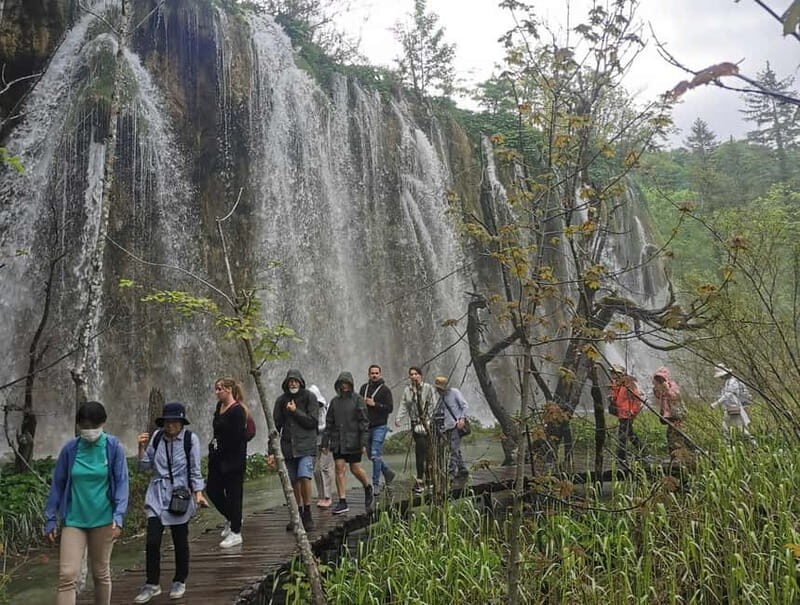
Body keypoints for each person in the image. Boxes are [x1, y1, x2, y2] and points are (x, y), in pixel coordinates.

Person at [44, 401, 128, 605]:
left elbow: (122, 483)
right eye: (84, 425)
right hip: (74, 520)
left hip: (104, 519)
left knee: (101, 573)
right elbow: (58, 484)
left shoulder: (113, 447)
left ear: (103, 423)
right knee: (67, 575)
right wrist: (50, 518)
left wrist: (119, 516)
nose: (89, 430)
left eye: (93, 426)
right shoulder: (70, 450)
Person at [134, 402, 207, 604]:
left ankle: (179, 580)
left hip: (179, 495)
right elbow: (144, 466)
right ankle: (152, 584)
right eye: (167, 421)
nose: (170, 425)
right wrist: (141, 447)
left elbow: (195, 469)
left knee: (180, 540)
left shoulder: (190, 440)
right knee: (152, 540)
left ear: (181, 422)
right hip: (157, 494)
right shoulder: (157, 438)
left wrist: (198, 493)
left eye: (174, 421)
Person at [272, 369, 319, 531]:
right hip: (288, 447)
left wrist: (295, 411)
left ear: (300, 382)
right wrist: (271, 452)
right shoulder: (281, 401)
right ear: (286, 383)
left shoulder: (309, 397)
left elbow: (312, 422)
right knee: (293, 482)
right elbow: (275, 427)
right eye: (290, 381)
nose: (293, 383)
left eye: (296, 381)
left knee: (305, 477)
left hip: (305, 446)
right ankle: (297, 514)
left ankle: (308, 513)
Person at [321, 371, 373, 515]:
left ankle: (368, 486)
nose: (344, 386)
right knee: (339, 468)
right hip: (338, 441)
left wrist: (363, 442)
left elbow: (364, 422)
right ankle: (342, 501)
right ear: (338, 385)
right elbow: (329, 423)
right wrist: (325, 443)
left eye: (346, 383)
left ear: (351, 384)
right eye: (341, 384)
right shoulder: (334, 402)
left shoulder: (358, 400)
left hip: (354, 440)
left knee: (355, 468)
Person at [396, 366, 436, 494]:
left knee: (424, 453)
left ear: (420, 375)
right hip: (415, 424)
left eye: (416, 374)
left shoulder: (428, 388)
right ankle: (427, 480)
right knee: (420, 452)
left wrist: (430, 420)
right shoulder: (407, 390)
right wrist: (398, 418)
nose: (413, 376)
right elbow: (403, 404)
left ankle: (422, 480)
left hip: (427, 424)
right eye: (411, 374)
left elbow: (433, 404)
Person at [359, 364, 395, 494]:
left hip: (380, 426)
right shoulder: (364, 388)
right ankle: (387, 472)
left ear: (380, 374)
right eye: (372, 373)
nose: (374, 375)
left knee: (375, 454)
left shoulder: (385, 390)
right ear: (369, 374)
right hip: (366, 426)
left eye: (376, 373)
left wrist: (375, 404)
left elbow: (390, 408)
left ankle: (376, 483)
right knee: (371, 456)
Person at [433, 376, 469, 479]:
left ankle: (451, 473)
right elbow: (438, 413)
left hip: (456, 426)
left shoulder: (454, 392)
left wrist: (462, 418)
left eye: (440, 388)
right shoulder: (441, 398)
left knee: (453, 449)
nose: (438, 390)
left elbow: (465, 405)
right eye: (437, 388)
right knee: (455, 449)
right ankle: (462, 469)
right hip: (447, 428)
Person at [711, 366, 756, 445]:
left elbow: (728, 394)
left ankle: (752, 443)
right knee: (728, 427)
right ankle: (728, 444)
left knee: (737, 428)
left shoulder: (733, 382)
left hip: (733, 407)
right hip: (730, 408)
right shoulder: (729, 382)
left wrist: (716, 403)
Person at [652, 367, 690, 459]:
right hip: (669, 416)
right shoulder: (660, 389)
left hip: (677, 415)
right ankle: (676, 455)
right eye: (658, 380)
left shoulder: (672, 386)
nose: (659, 381)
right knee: (671, 435)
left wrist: (667, 390)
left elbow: (675, 398)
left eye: (660, 379)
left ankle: (683, 454)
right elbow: (658, 398)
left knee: (676, 435)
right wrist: (656, 389)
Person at [609, 365, 643, 463]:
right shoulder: (617, 385)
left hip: (627, 414)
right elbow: (618, 398)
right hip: (621, 413)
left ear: (622, 374)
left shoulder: (629, 385)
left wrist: (633, 411)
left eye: (616, 373)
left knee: (622, 435)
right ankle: (643, 451)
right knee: (630, 434)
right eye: (612, 372)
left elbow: (637, 399)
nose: (613, 375)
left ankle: (621, 457)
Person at [309, 384, 335, 509]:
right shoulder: (308, 410)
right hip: (314, 443)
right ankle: (321, 495)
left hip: (327, 442)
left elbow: (328, 425)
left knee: (325, 468)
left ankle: (327, 496)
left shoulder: (326, 408)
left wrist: (313, 427)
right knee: (315, 470)